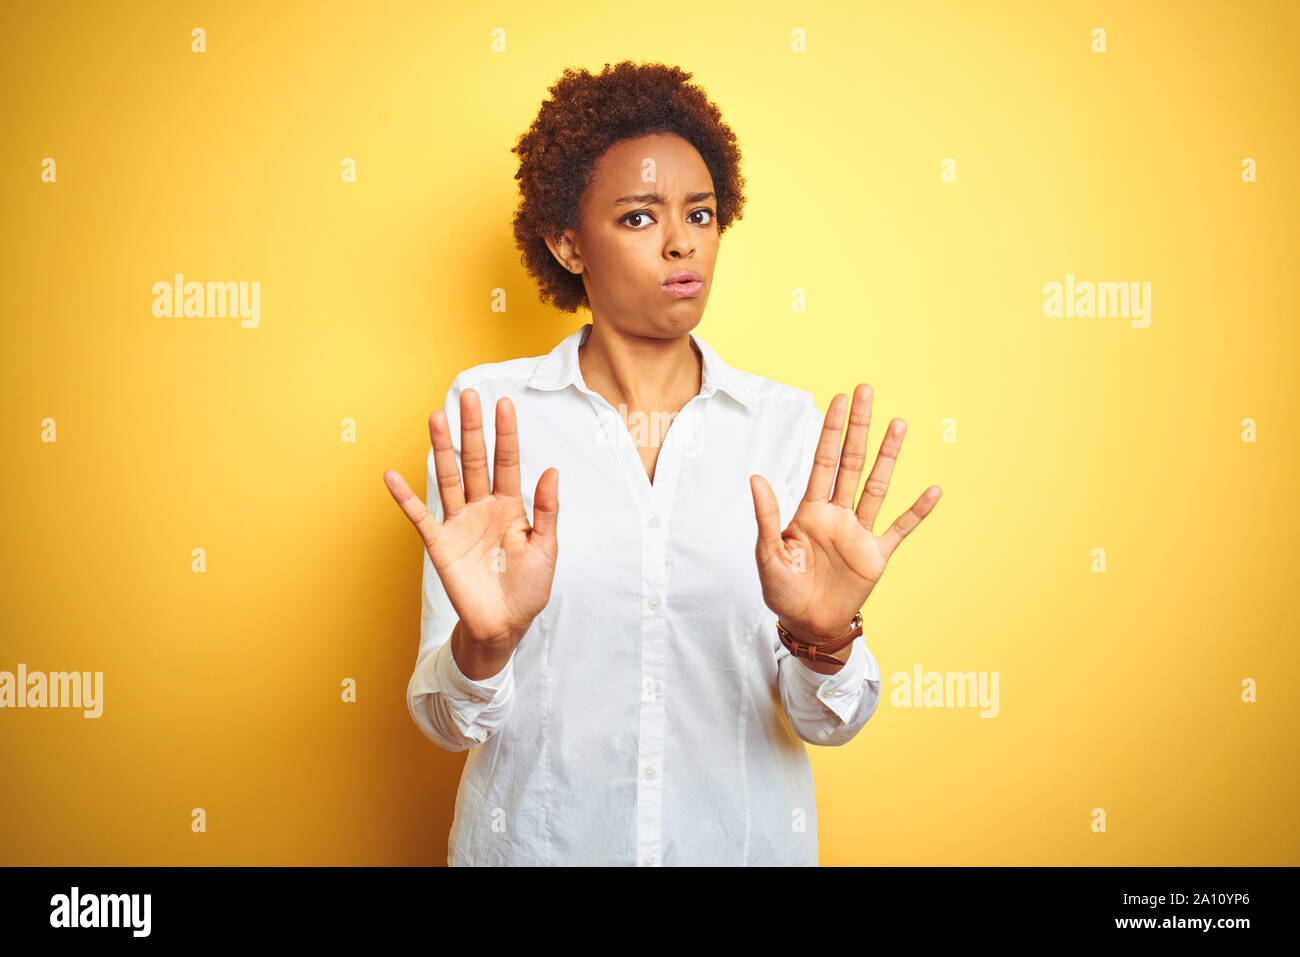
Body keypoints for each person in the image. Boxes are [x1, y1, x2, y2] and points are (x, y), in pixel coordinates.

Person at [382, 60, 941, 866]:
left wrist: (825, 639)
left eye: (702, 213)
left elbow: (831, 719)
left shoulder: (784, 428)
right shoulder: (493, 419)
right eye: (640, 218)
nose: (683, 241)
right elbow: (446, 720)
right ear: (567, 243)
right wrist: (485, 646)